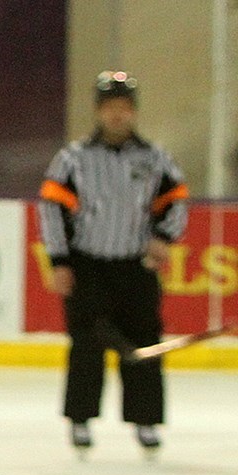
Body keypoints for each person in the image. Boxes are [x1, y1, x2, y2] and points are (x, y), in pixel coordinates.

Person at [38, 71, 188, 455]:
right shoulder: (74, 158)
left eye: (124, 108)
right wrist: (60, 260)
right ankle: (80, 419)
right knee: (86, 344)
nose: (117, 115)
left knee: (143, 343)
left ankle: (146, 421)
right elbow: (52, 210)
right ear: (98, 112)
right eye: (109, 108)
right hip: (89, 267)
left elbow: (177, 200)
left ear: (133, 112)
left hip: (136, 268)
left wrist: (163, 237)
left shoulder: (154, 158)